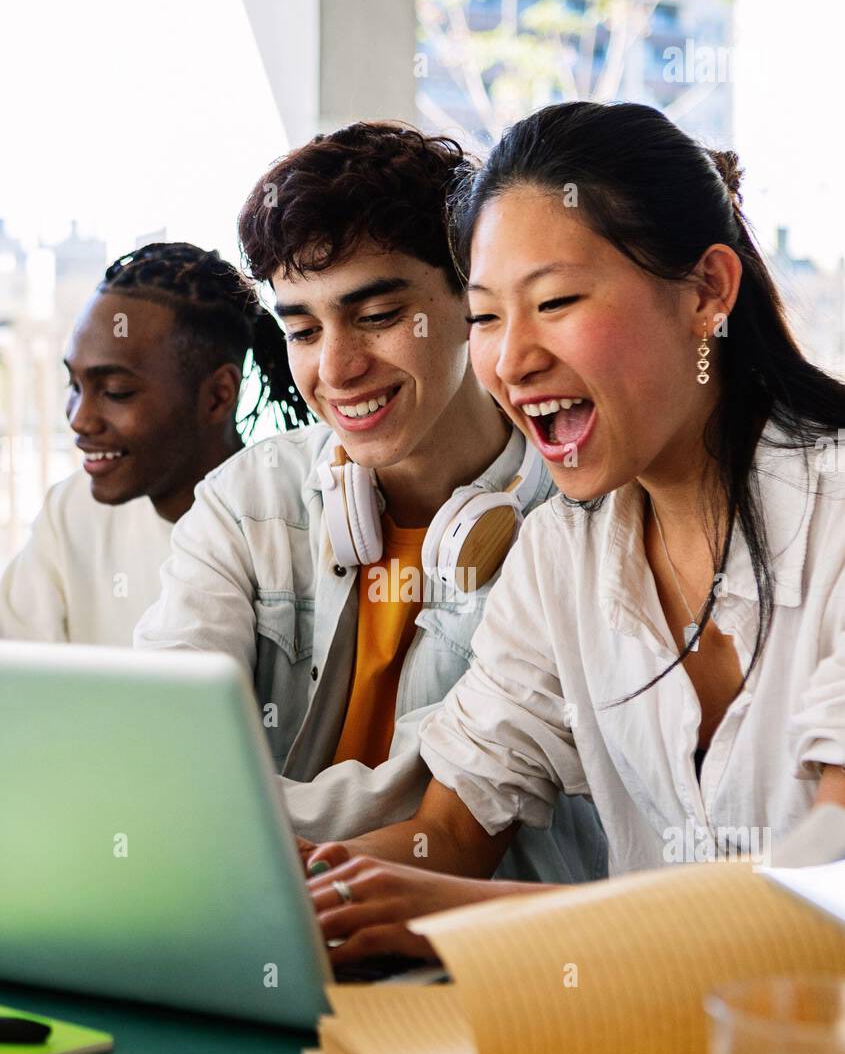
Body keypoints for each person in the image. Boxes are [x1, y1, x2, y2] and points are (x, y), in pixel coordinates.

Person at [302, 100, 845, 965]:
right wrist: (306, 888)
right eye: (484, 317)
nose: (510, 361)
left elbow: (826, 882)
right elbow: (449, 829)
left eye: (553, 301)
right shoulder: (562, 551)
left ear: (707, 291)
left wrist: (465, 919)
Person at [134, 122, 607, 884]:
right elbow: (161, 748)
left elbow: (447, 816)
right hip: (260, 924)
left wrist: (217, 830)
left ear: (471, 301)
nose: (337, 367)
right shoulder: (247, 500)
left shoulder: (583, 522)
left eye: (379, 316)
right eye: (302, 328)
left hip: (489, 960)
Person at [0, 242, 303, 645]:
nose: (79, 418)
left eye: (116, 391)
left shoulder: (294, 529)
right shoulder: (70, 513)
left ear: (217, 395)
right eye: (75, 385)